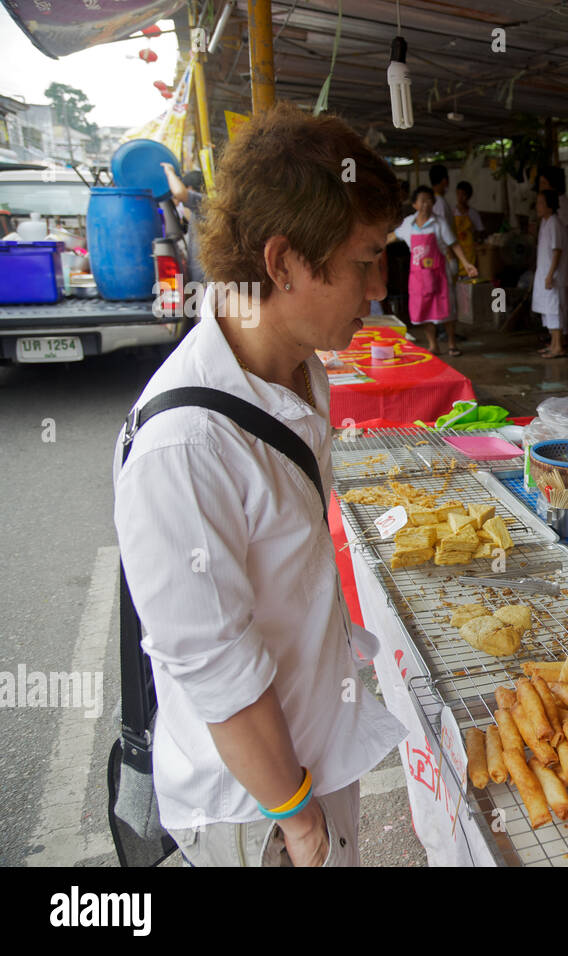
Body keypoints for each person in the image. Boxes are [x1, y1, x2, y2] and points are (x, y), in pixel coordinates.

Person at [114, 102, 408, 866]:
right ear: (282, 262)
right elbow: (214, 667)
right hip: (261, 809)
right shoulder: (186, 446)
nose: (378, 287)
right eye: (365, 259)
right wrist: (299, 817)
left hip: (312, 754)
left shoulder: (300, 371)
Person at [391, 185, 477, 355]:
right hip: (418, 277)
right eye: (422, 201)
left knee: (446, 309)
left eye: (430, 200)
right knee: (423, 310)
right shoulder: (408, 223)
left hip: (438, 274)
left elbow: (454, 244)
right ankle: (433, 345)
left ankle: (451, 344)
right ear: (415, 204)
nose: (426, 204)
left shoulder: (439, 223)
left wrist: (466, 264)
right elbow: (392, 236)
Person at [533, 189, 568, 358]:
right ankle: (553, 344)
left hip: (552, 275)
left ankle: (558, 347)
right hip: (544, 274)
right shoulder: (545, 222)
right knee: (548, 310)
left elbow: (557, 251)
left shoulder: (554, 222)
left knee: (554, 309)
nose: (538, 206)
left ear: (549, 205)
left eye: (541, 203)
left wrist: (549, 274)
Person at [161, 163, 207, 284]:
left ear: (190, 189)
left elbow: (179, 192)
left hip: (206, 283)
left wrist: (169, 172)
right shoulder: (199, 211)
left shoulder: (204, 203)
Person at [428, 164, 460, 325]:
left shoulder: (437, 201)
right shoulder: (439, 203)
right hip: (444, 255)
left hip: (441, 255)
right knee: (447, 296)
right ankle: (446, 332)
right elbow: (442, 234)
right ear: (444, 181)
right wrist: (450, 256)